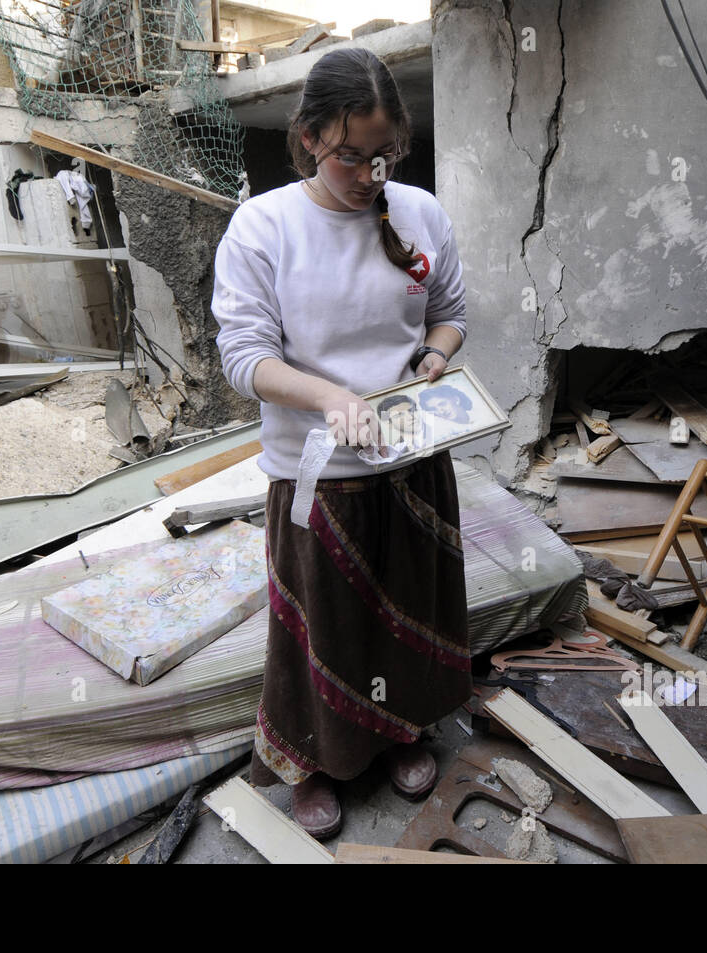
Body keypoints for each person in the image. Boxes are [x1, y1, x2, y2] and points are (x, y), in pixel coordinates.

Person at [211, 46, 472, 840]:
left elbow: (452, 309)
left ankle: (400, 733)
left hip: (411, 459)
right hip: (318, 474)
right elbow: (244, 358)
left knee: (406, 613)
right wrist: (330, 396)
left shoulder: (421, 213)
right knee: (325, 628)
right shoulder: (263, 227)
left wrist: (435, 357)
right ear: (309, 137)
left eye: (383, 154)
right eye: (350, 155)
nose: (367, 175)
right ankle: (317, 763)